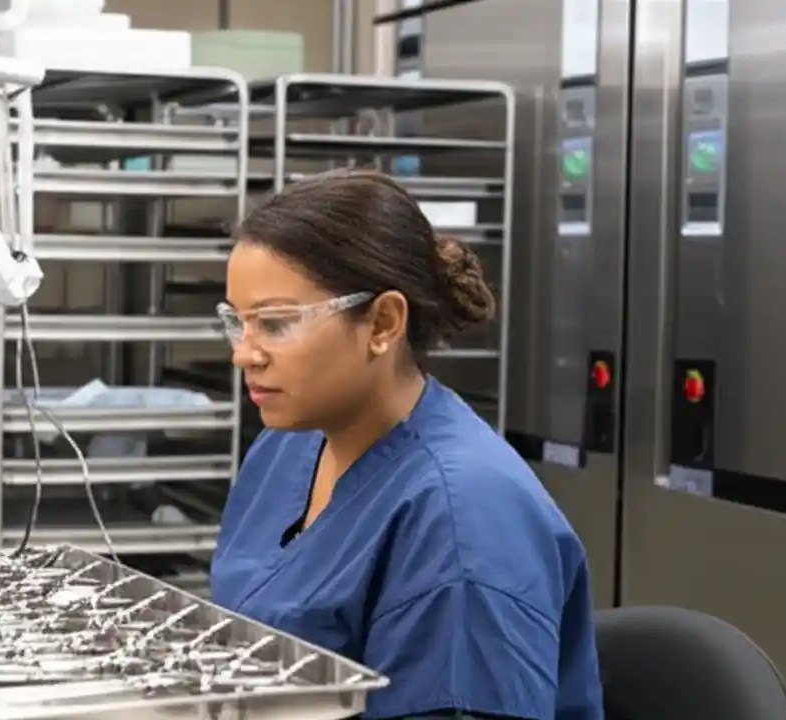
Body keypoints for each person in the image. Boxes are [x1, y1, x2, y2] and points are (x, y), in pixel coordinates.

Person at [209, 168, 604, 720]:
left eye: (275, 324)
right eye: (236, 323)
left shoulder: (462, 522)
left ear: (383, 323)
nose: (243, 354)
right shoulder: (287, 448)